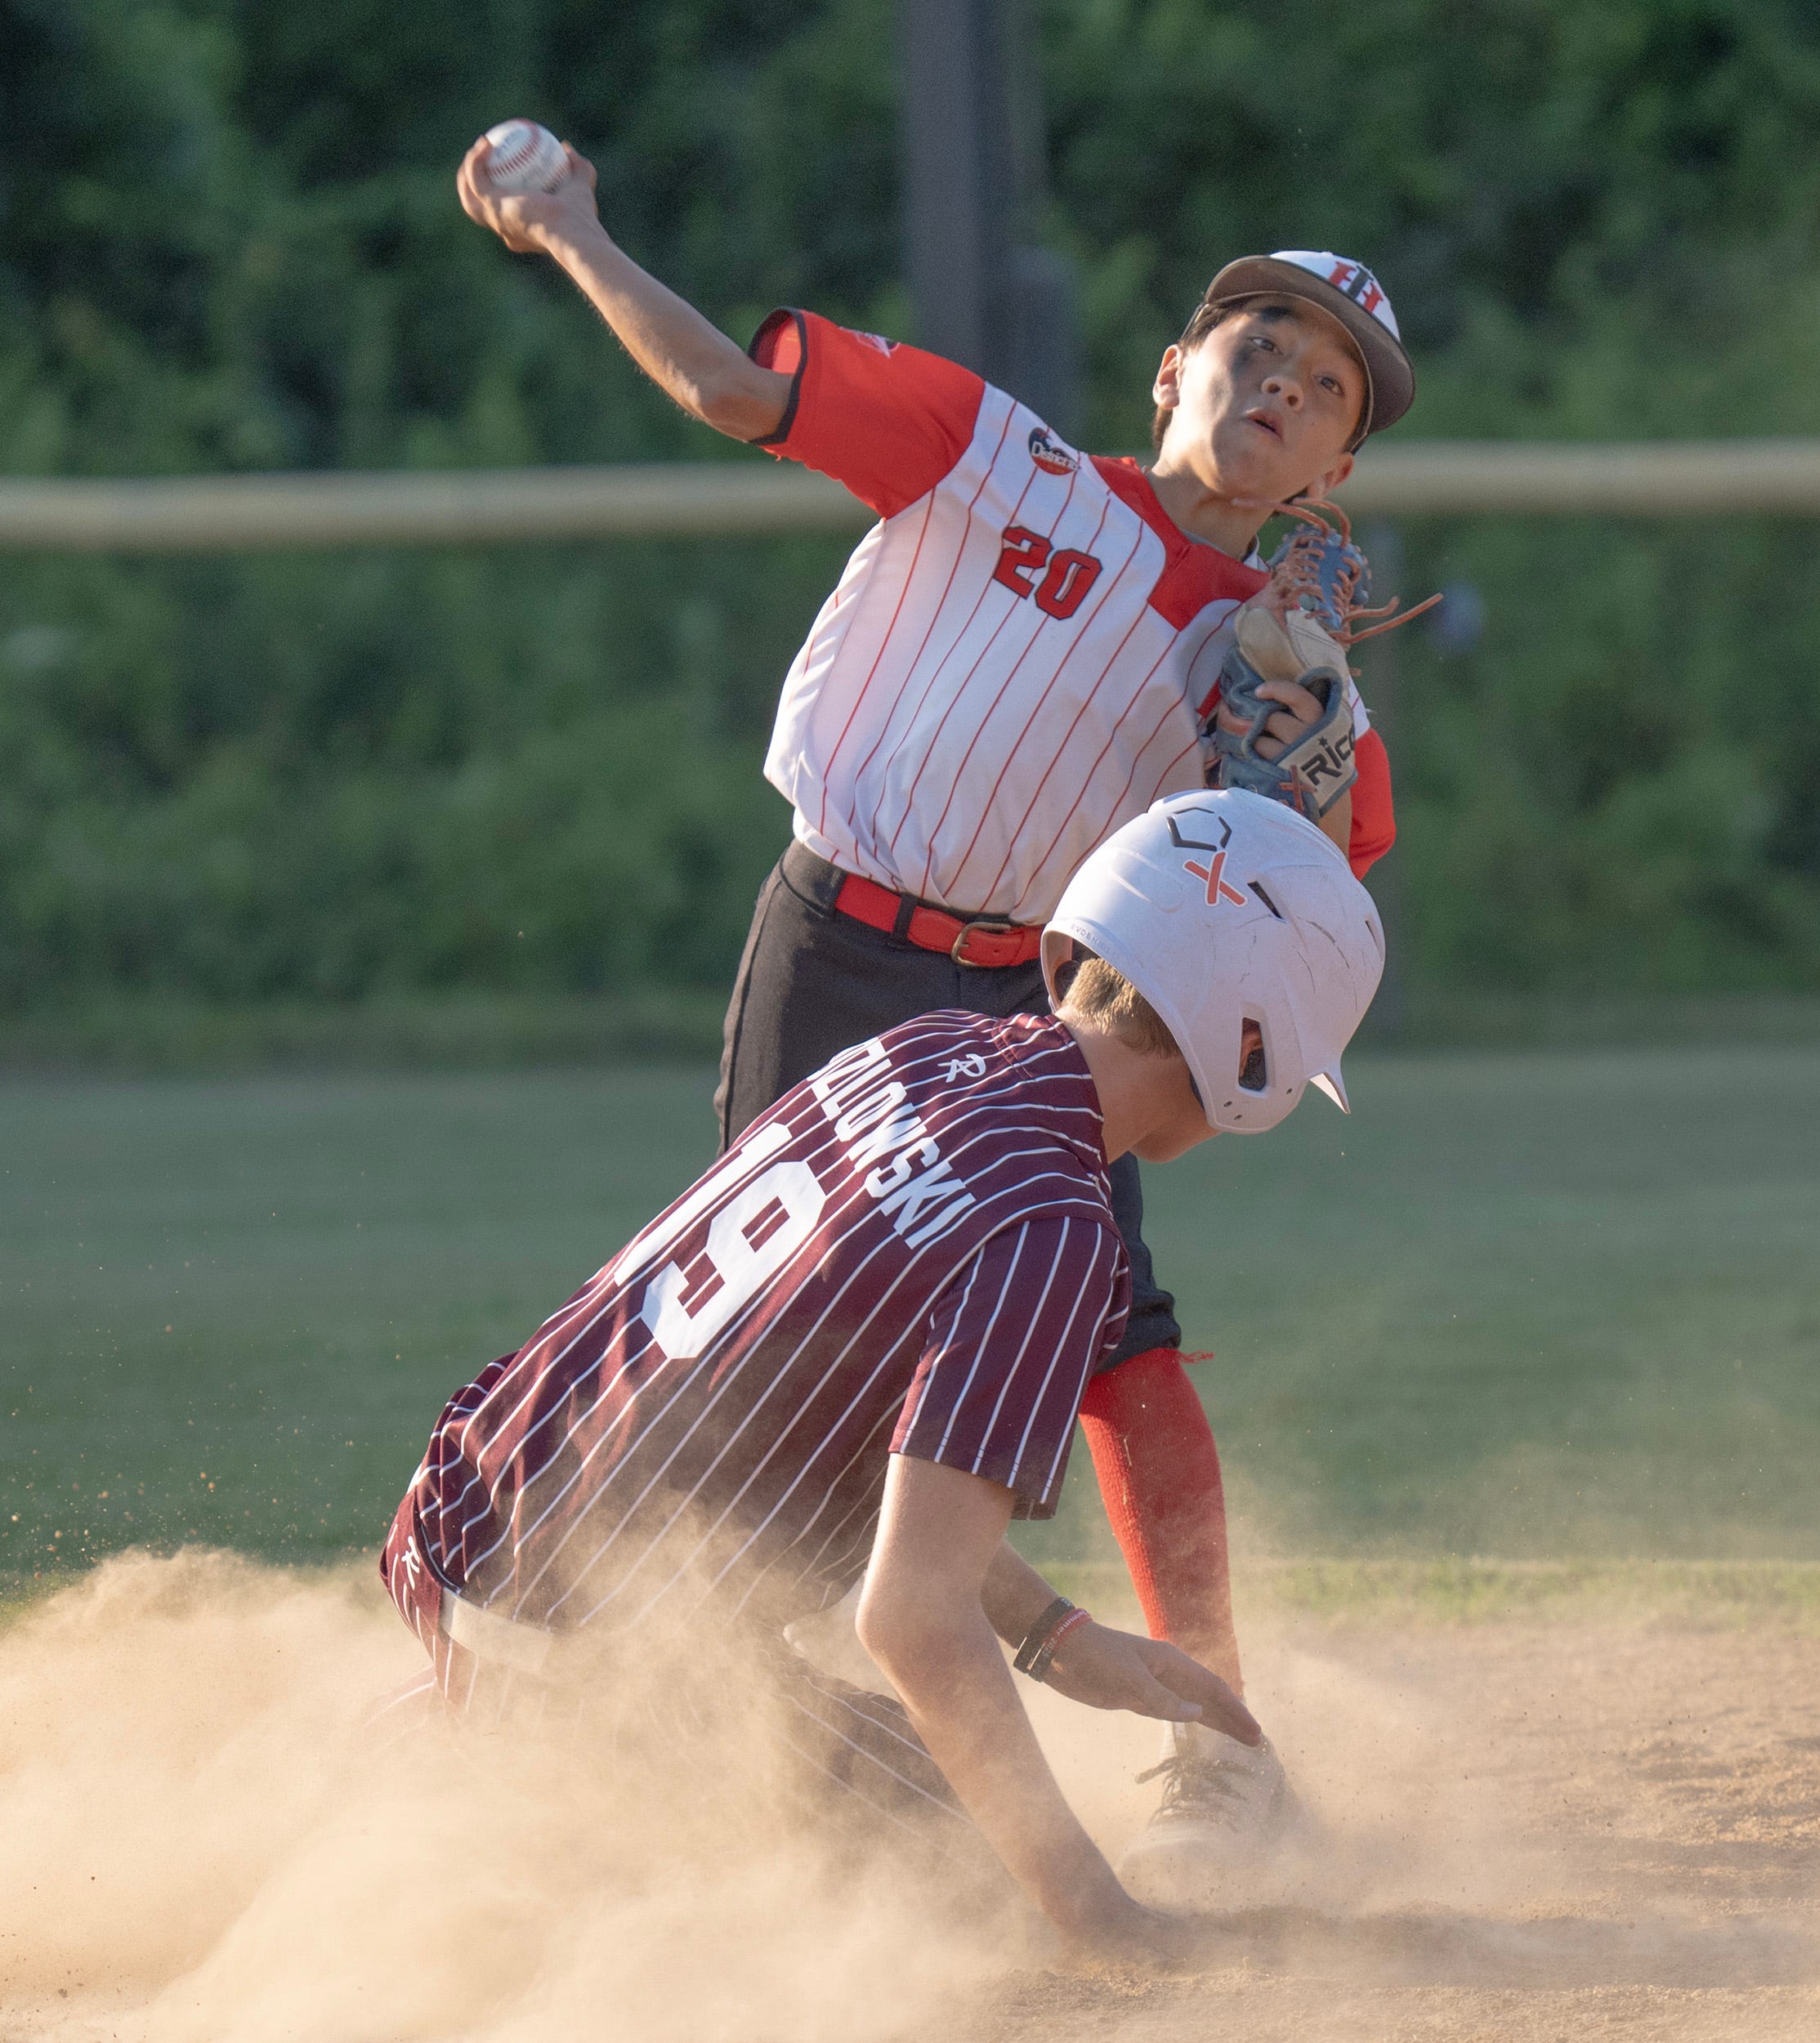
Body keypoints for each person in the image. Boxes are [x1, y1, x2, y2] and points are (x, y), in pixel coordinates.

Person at [455, 133, 1417, 1890]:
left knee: (1121, 1340)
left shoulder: (1279, 652)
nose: (1279, 379)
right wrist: (578, 223)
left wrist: (1316, 738)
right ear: (1170, 374)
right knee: (765, 1331)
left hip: (1068, 1000)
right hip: (837, 946)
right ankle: (703, 1692)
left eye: (1324, 380)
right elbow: (734, 387)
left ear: (1342, 457)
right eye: (1252, 343)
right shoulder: (998, 454)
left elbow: (1335, 886)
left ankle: (1215, 1737)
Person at [382, 787, 1386, 1960]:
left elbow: (886, 1466)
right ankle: (510, 1804)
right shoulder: (1054, 1222)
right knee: (969, 1904)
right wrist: (1103, 1918)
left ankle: (458, 1745)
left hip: (465, 1516)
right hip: (594, 1653)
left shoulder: (931, 1051)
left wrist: (1059, 1635)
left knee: (941, 1798)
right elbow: (910, 1616)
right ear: (1249, 1052)